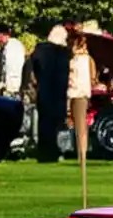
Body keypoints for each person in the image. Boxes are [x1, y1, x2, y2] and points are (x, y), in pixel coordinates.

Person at [24, 25, 70, 162]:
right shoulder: (63, 54)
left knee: (44, 123)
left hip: (44, 92)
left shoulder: (40, 51)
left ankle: (44, 151)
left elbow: (32, 68)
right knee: (56, 123)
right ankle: (54, 150)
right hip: (59, 93)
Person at [66, 31, 98, 163]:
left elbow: (90, 78)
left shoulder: (83, 59)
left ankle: (82, 154)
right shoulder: (80, 59)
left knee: (80, 125)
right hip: (76, 93)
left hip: (79, 93)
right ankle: (78, 151)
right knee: (77, 124)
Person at [0, 24, 25, 96]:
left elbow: (13, 69)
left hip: (13, 89)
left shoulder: (15, 46)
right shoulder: (0, 50)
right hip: (3, 89)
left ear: (0, 35)